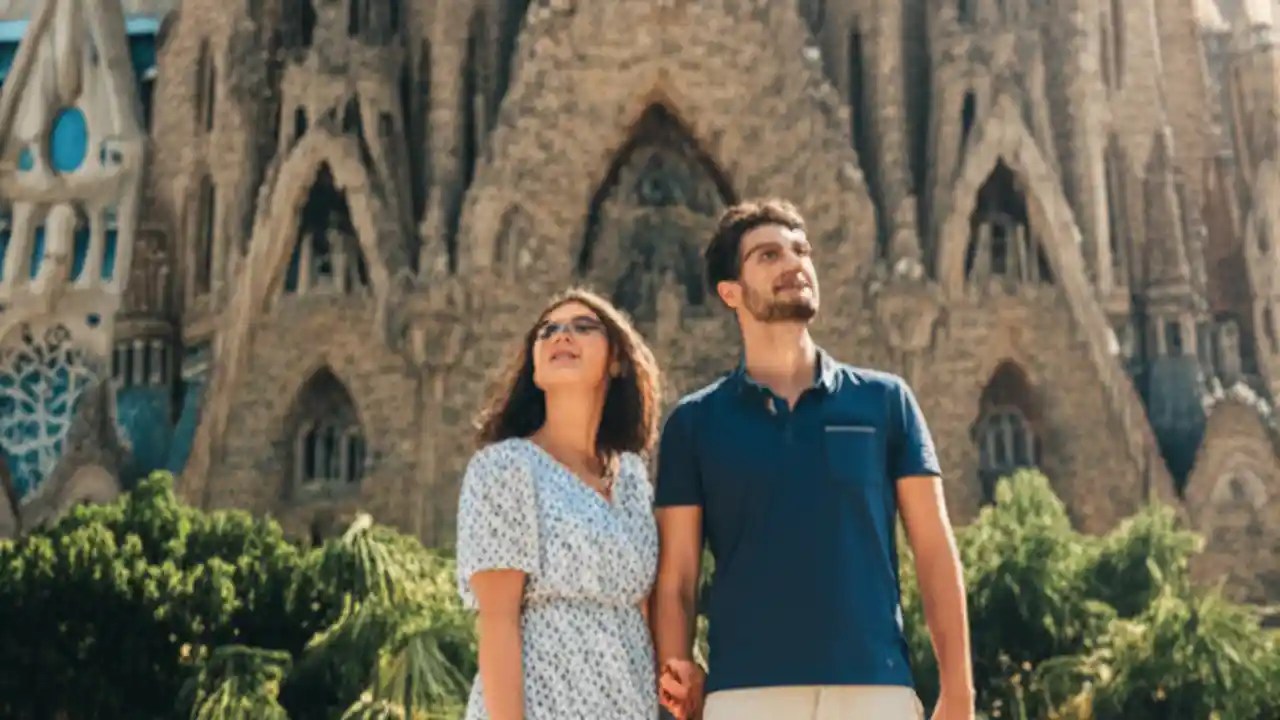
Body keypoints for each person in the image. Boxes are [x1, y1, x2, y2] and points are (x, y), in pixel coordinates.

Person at [651, 199, 974, 720]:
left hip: (875, 690)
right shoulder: (694, 423)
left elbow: (934, 549)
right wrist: (675, 674)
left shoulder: (885, 401)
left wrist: (959, 691)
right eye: (768, 255)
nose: (793, 264)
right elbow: (678, 577)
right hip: (745, 696)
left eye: (801, 251)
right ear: (730, 292)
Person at [455, 287, 664, 720]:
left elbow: (646, 608)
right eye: (547, 331)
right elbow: (497, 622)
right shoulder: (505, 468)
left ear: (617, 360)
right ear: (534, 367)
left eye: (583, 327)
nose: (560, 336)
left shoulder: (632, 480)